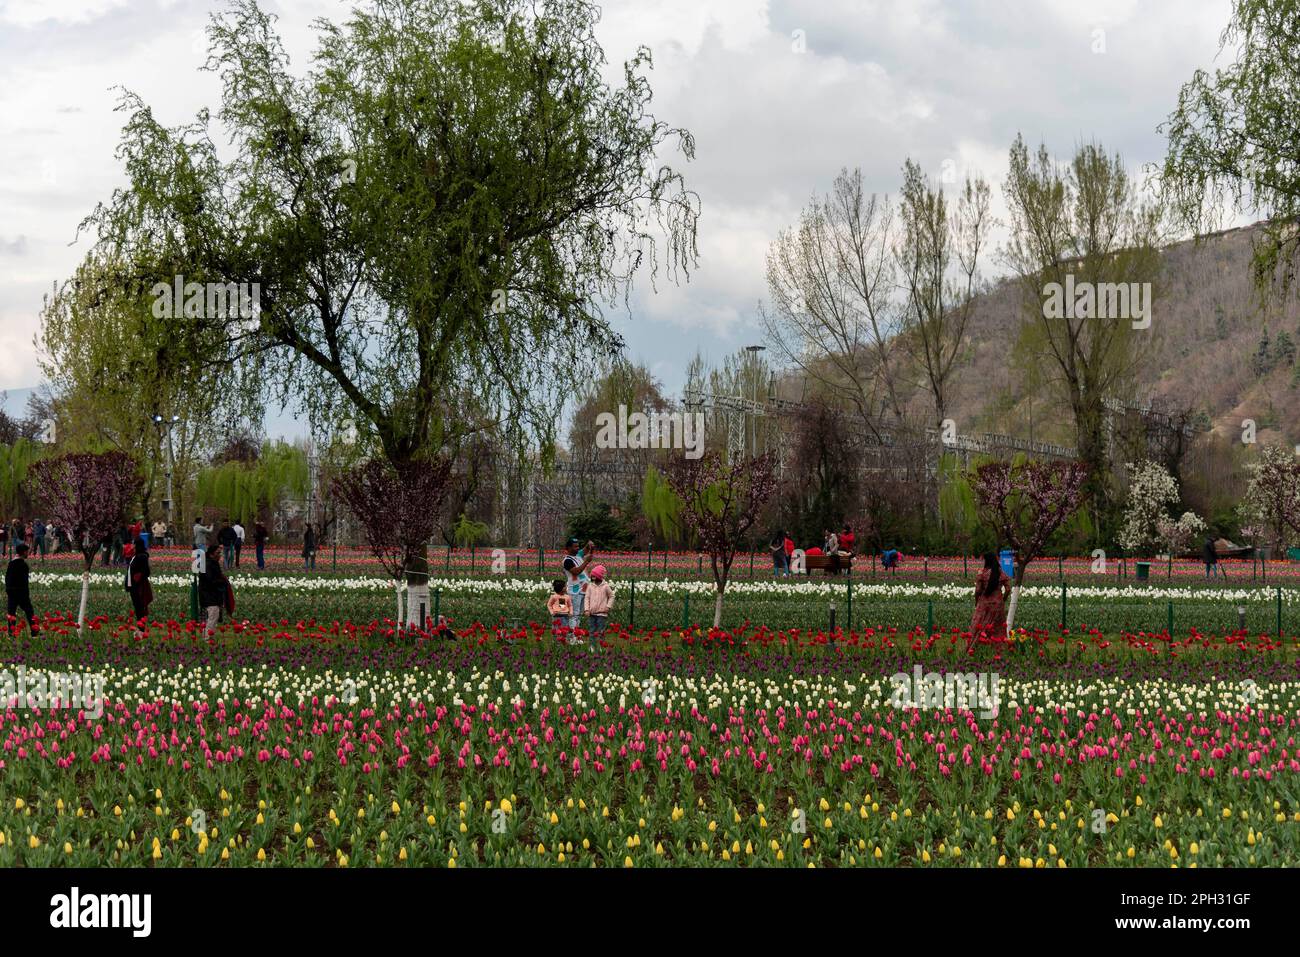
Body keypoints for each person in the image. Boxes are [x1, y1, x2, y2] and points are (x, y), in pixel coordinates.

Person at [970, 551, 1011, 645]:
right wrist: (1003, 599)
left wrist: (976, 601)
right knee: (998, 627)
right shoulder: (1001, 573)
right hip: (998, 604)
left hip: (984, 604)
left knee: (980, 626)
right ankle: (998, 648)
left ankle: (976, 646)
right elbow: (1008, 589)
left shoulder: (982, 573)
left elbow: (978, 590)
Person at [561, 537, 595, 632]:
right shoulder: (567, 561)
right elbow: (576, 572)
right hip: (575, 591)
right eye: (575, 547)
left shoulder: (578, 555)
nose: (577, 548)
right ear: (568, 548)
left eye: (578, 546)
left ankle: (576, 634)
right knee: (574, 614)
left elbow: (586, 549)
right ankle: (571, 636)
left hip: (583, 590)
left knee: (578, 614)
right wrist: (586, 561)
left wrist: (589, 545)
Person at [4, 542, 36, 634]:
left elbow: (7, 579)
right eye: (27, 551)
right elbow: (24, 582)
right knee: (29, 612)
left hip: (11, 593)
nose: (28, 553)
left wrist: (9, 590)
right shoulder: (23, 565)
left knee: (11, 613)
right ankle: (34, 631)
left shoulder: (11, 563)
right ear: (23, 552)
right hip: (21, 593)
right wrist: (26, 594)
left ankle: (11, 632)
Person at [199, 544, 228, 636]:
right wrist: (223, 581)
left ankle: (207, 638)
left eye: (220, 553)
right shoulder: (208, 564)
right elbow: (211, 580)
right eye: (218, 553)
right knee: (212, 618)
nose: (219, 555)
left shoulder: (210, 563)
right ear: (211, 554)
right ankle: (207, 639)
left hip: (211, 595)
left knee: (212, 618)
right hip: (210, 596)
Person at [126, 535, 153, 635]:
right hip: (133, 586)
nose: (132, 545)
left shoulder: (142, 556)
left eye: (134, 544)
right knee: (137, 607)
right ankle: (140, 627)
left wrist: (138, 578)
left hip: (138, 587)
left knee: (140, 608)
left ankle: (141, 629)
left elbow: (146, 571)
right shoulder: (136, 556)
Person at [584, 564, 614, 648]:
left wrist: (608, 607)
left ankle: (601, 646)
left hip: (602, 613)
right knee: (592, 630)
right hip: (591, 613)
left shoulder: (605, 586)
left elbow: (612, 596)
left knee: (601, 631)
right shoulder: (590, 586)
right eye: (592, 575)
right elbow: (587, 598)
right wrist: (586, 609)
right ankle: (592, 646)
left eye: (595, 575)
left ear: (599, 576)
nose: (593, 576)